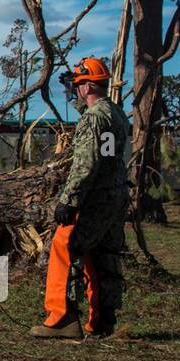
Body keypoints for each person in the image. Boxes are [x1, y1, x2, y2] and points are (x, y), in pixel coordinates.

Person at [30, 57, 130, 340]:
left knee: (64, 245)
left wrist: (69, 200)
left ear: (87, 86)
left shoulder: (94, 118)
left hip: (93, 197)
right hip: (115, 196)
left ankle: (62, 319)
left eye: (78, 86)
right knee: (103, 257)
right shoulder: (116, 113)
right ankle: (102, 321)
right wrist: (72, 94)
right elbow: (100, 132)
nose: (76, 91)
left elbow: (86, 163)